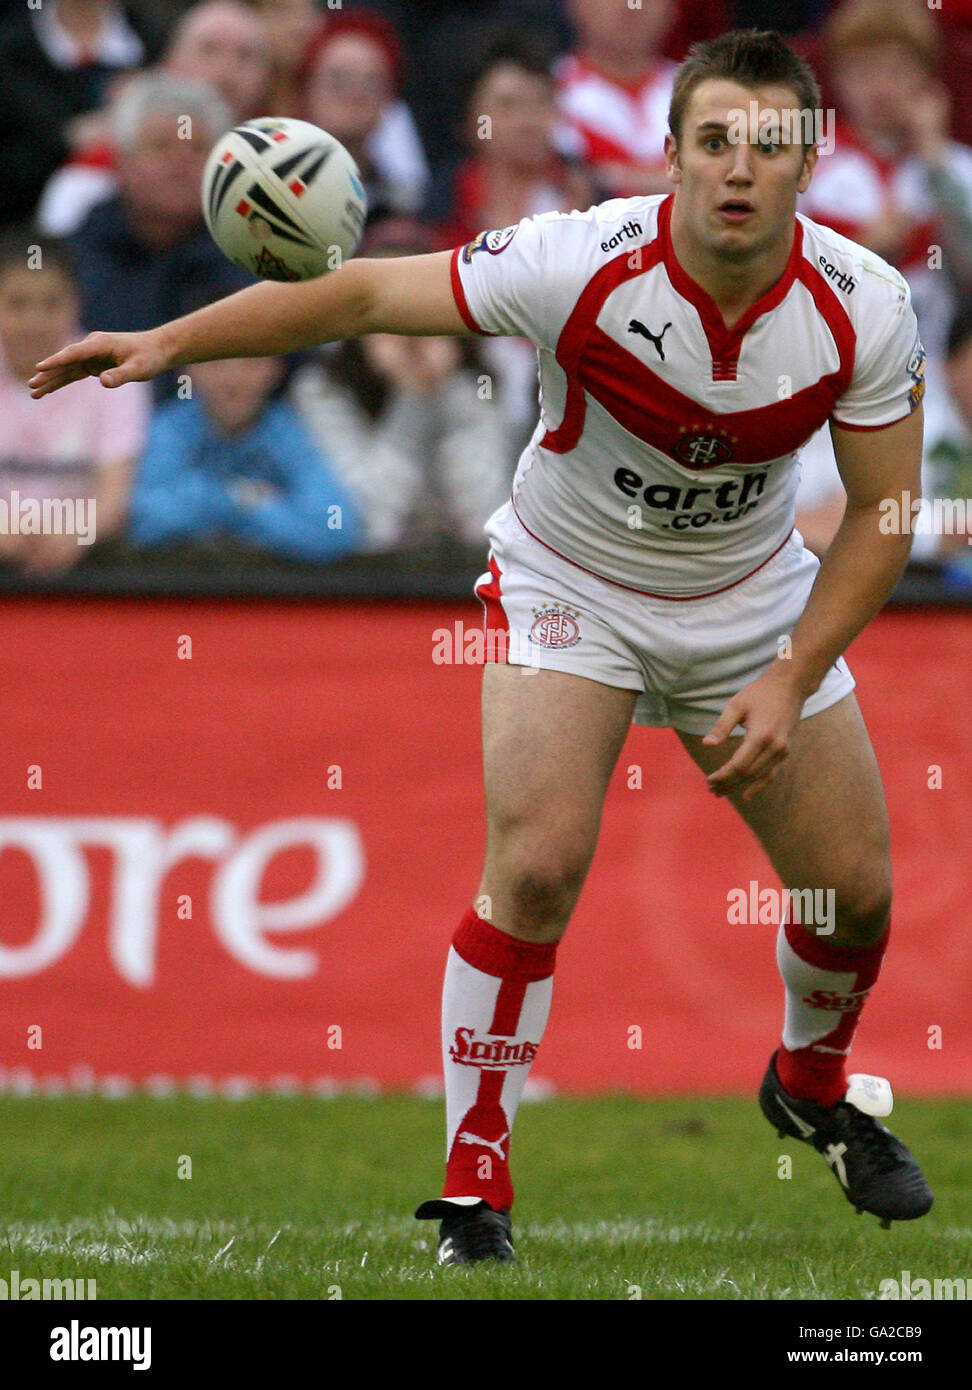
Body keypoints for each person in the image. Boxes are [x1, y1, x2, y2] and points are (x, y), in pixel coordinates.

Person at [30, 29, 934, 1266]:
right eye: (713, 140)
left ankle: (813, 1087)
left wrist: (787, 669)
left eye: (768, 146)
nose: (738, 168)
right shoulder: (576, 261)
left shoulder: (865, 305)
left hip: (756, 603)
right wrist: (167, 344)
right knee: (541, 865)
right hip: (573, 583)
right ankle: (473, 1186)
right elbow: (356, 293)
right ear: (668, 156)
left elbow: (885, 513)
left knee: (859, 897)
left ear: (807, 162)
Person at [290, 218, 515, 552]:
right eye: (382, 303)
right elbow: (372, 526)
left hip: (464, 591)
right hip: (368, 591)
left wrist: (444, 387)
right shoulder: (322, 388)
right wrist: (413, 397)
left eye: (415, 301)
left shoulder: (478, 381)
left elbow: (482, 524)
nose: (401, 321)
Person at [68, 71, 250, 401]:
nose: (181, 162)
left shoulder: (250, 261)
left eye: (197, 149)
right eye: (161, 147)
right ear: (121, 162)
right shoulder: (74, 259)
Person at [0, 230, 146, 574]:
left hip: (88, 570)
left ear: (76, 303)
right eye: (17, 304)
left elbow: (115, 494)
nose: (34, 321)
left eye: (51, 304)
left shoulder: (114, 379)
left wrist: (73, 534)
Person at [128, 351, 362, 563]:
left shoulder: (292, 432)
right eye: (215, 365)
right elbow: (143, 521)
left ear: (275, 369)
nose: (232, 380)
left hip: (266, 598)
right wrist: (248, 498)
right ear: (188, 370)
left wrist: (205, 506)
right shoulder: (166, 429)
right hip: (178, 594)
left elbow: (335, 530)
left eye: (250, 364)